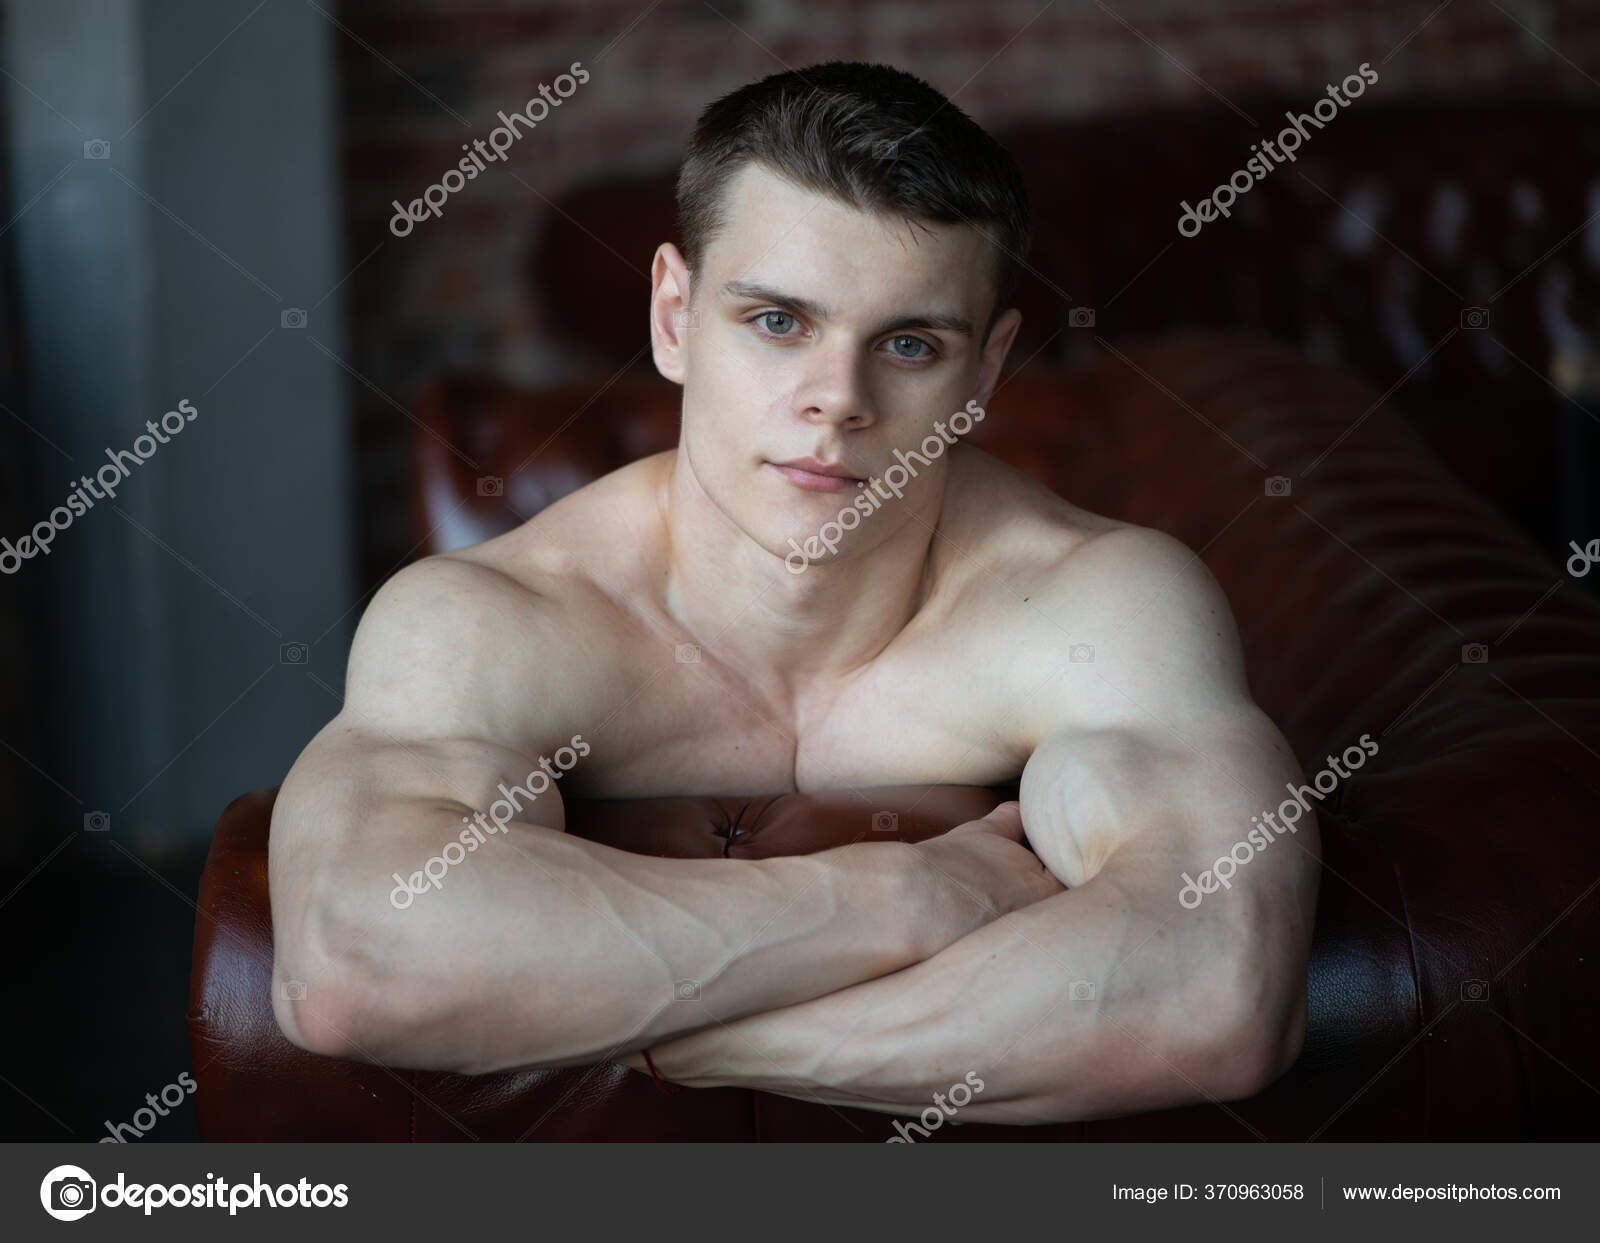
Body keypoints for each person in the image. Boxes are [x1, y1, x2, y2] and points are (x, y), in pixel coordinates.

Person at [268, 61, 1318, 1126]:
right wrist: (893, 896)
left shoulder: (1097, 605)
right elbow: (355, 956)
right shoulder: (490, 619)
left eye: (909, 345)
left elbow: (1215, 993)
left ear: (986, 371)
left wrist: (702, 1044)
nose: (838, 402)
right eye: (778, 323)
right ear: (674, 317)